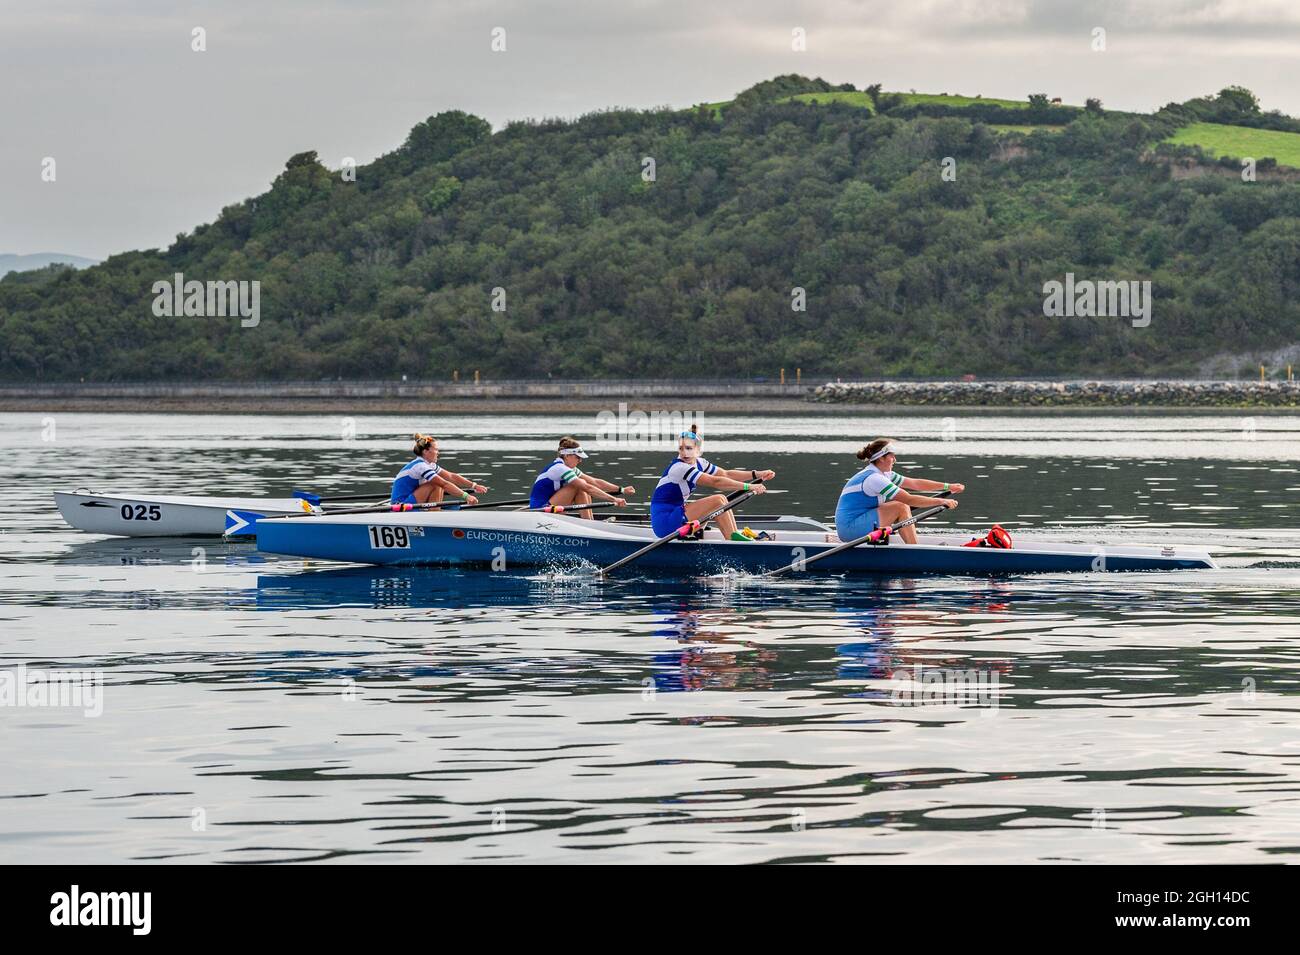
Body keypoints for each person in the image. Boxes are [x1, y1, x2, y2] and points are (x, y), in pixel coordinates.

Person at [650, 427, 775, 541]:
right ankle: (733, 539)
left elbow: (726, 474)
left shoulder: (700, 463)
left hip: (676, 513)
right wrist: (750, 487)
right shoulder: (679, 467)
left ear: (698, 450)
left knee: (721, 499)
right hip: (665, 521)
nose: (684, 453)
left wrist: (757, 474)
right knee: (716, 501)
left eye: (689, 448)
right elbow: (716, 482)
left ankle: (734, 534)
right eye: (681, 448)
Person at [835, 438, 963, 544]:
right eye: (892, 456)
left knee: (899, 507)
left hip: (858, 522)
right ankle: (915, 551)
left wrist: (948, 486)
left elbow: (915, 484)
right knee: (900, 507)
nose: (895, 460)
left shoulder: (884, 474)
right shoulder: (874, 478)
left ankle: (910, 544)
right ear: (881, 458)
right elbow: (909, 499)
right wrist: (941, 501)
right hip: (849, 529)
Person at [529, 436, 634, 517]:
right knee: (579, 485)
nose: (580, 460)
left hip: (551, 507)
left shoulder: (569, 468)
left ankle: (589, 522)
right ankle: (588, 523)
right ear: (566, 456)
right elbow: (588, 488)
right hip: (540, 510)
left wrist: (622, 489)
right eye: (577, 457)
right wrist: (614, 499)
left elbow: (595, 482)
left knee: (582, 484)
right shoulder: (559, 468)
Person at [390, 433, 487, 507]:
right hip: (400, 506)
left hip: (411, 501)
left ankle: (435, 511)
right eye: (436, 449)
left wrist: (474, 485)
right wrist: (467, 496)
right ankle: (434, 512)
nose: (438, 452)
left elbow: (451, 476)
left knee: (439, 482)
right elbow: (444, 484)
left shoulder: (429, 465)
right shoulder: (420, 466)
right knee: (437, 483)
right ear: (425, 451)